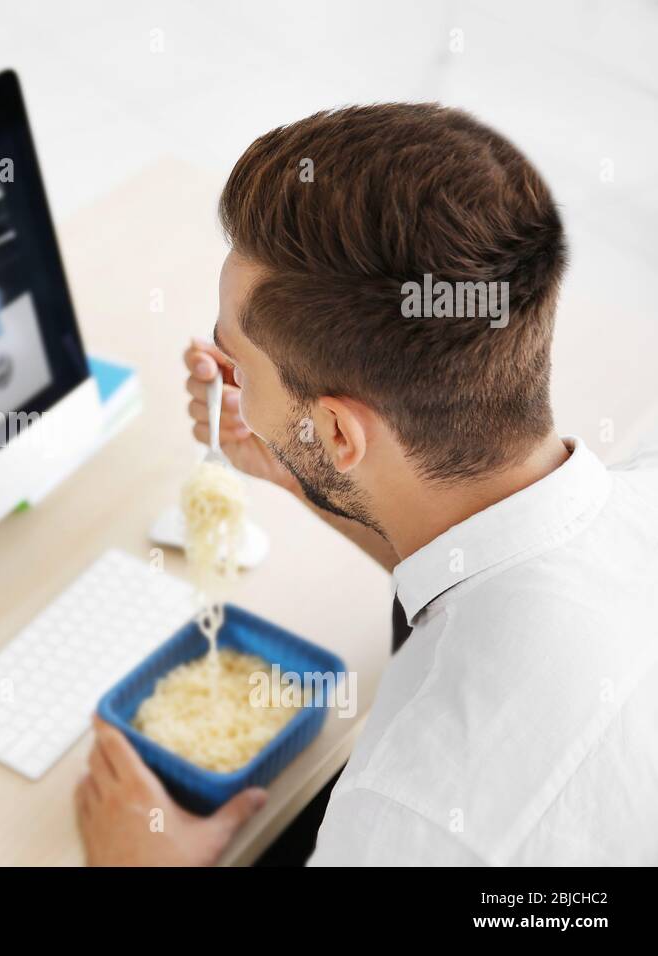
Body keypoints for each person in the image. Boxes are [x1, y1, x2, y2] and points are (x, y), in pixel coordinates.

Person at [75, 103, 658, 866]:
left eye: (237, 366)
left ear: (343, 434)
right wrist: (294, 463)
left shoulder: (408, 818)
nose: (228, 386)